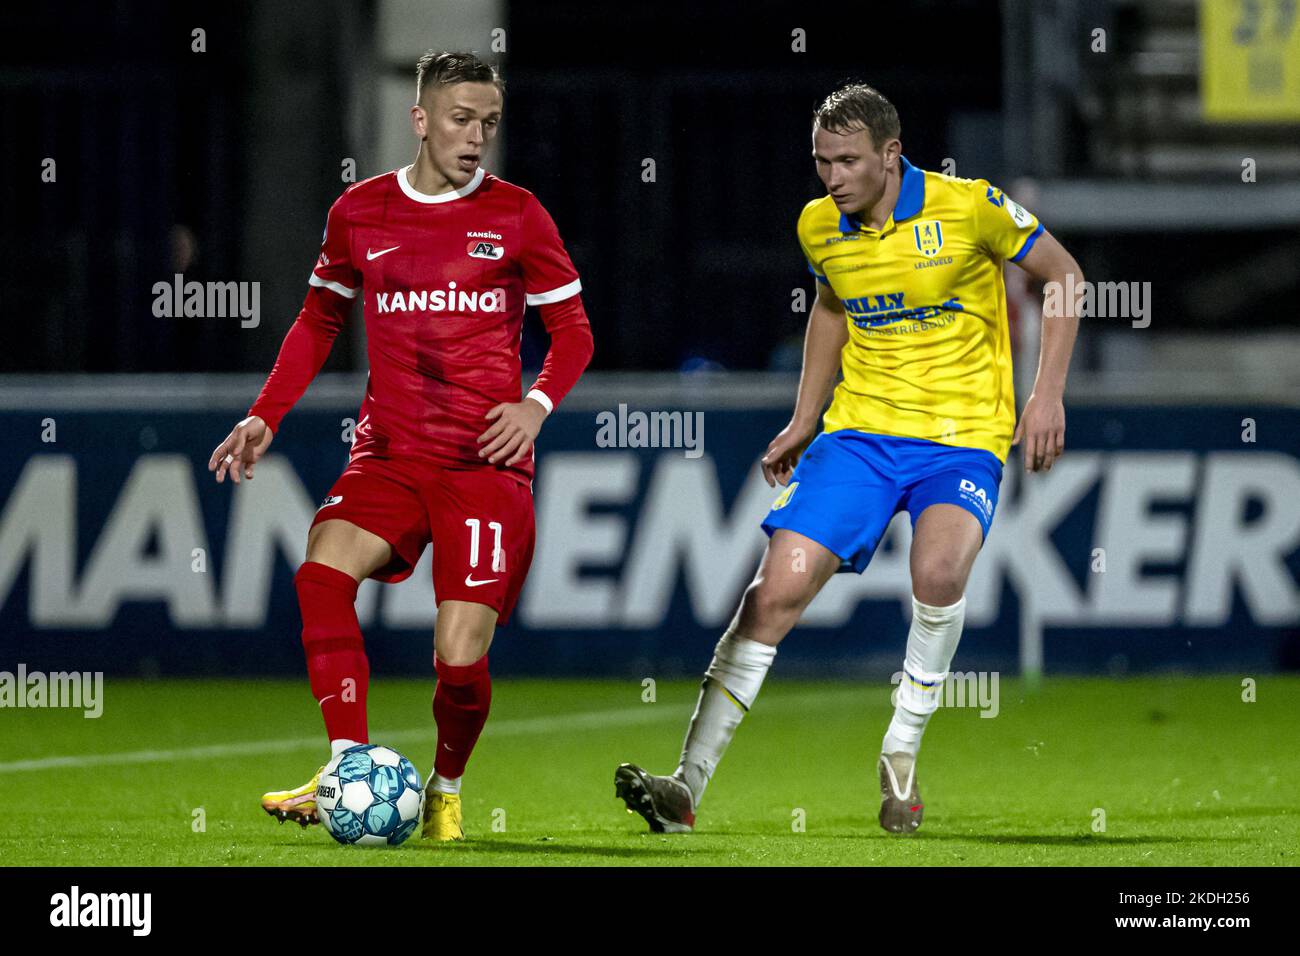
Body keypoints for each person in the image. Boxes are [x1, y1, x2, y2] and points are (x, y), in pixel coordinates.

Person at [615, 82, 1082, 834]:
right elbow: (832, 308)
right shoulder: (818, 226)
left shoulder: (971, 207)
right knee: (770, 597)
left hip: (961, 438)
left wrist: (1047, 394)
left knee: (938, 573)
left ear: (891, 155)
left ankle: (900, 755)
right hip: (860, 436)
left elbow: (1065, 276)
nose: (833, 178)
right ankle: (684, 786)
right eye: (822, 161)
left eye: (849, 161)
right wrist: (805, 417)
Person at [208, 51, 593, 842]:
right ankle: (348, 764)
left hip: (485, 464)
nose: (476, 136)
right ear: (420, 119)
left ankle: (445, 788)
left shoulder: (519, 215)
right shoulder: (361, 212)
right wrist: (265, 414)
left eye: (488, 122)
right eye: (460, 119)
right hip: (389, 452)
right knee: (320, 574)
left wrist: (535, 403)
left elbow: (574, 333)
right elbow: (319, 321)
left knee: (457, 656)